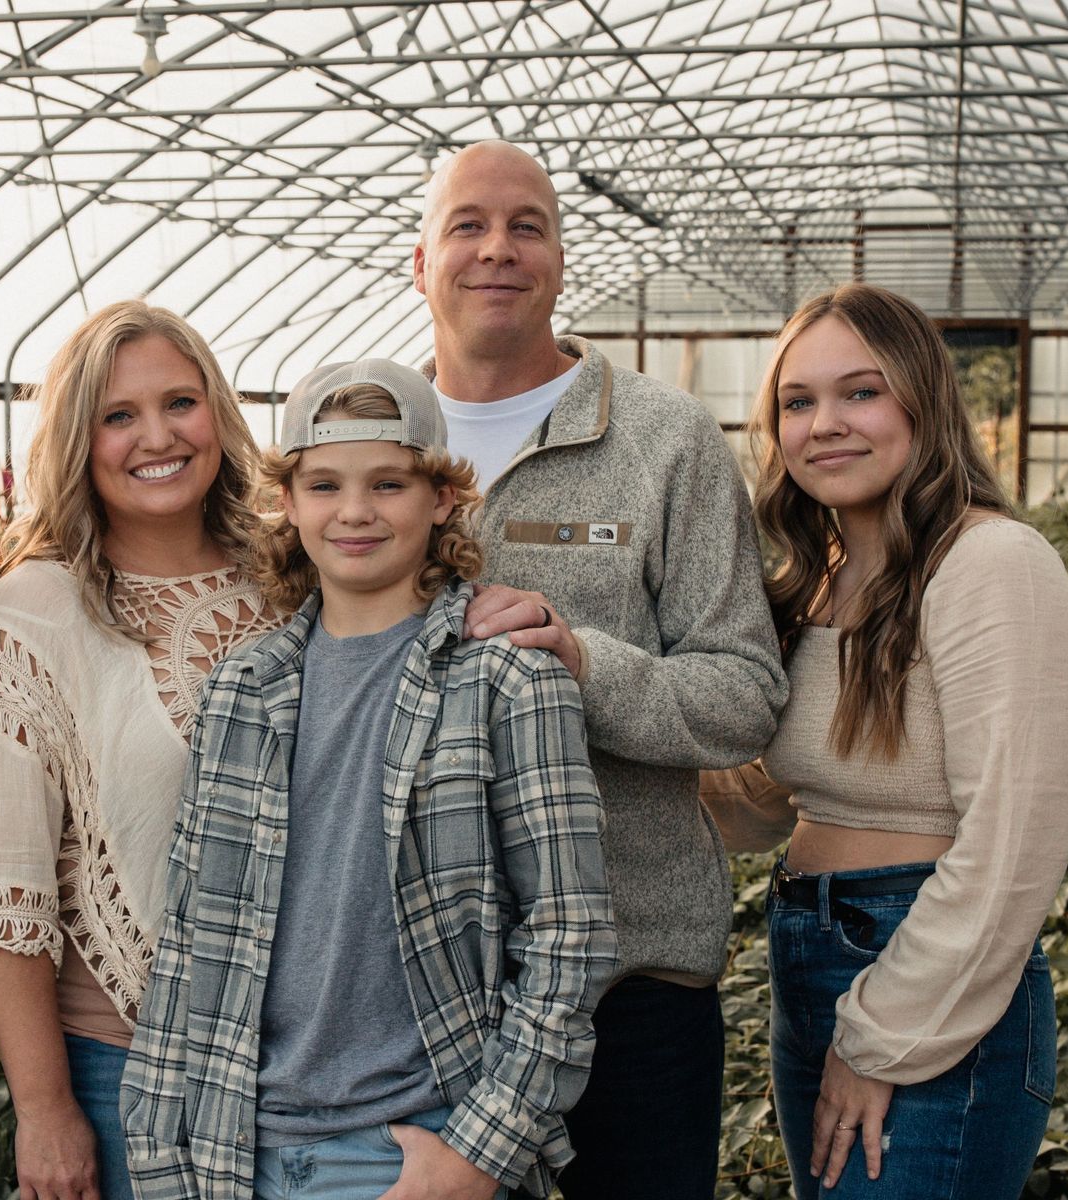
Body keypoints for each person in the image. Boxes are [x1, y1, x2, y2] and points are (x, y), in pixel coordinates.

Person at [121, 359, 615, 1200]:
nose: (354, 512)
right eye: (324, 485)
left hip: (405, 1153)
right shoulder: (244, 692)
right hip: (234, 1150)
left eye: (388, 483)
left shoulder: (506, 682)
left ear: (443, 499)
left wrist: (478, 1156)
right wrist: (159, 1145)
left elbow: (571, 935)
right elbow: (195, 942)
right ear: (290, 502)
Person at [412, 138, 787, 1196]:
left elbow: (744, 699)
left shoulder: (664, 440)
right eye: (467, 226)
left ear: (561, 261)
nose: (497, 250)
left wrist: (584, 665)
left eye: (527, 226)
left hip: (630, 994)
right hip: (419, 994)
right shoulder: (369, 441)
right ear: (420, 261)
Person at [709, 283, 1068, 1198]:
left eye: (861, 392)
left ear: (923, 399)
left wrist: (888, 1034)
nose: (826, 424)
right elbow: (765, 804)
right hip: (811, 957)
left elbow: (1011, 845)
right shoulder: (817, 586)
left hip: (927, 973)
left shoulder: (992, 564)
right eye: (798, 402)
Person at [0, 301, 279, 1200]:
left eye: (180, 403)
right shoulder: (37, 611)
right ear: (78, 442)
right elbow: (6, 890)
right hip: (123, 1068)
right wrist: (45, 1111)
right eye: (117, 416)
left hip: (313, 1058)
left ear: (219, 415)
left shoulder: (293, 575)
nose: (155, 436)